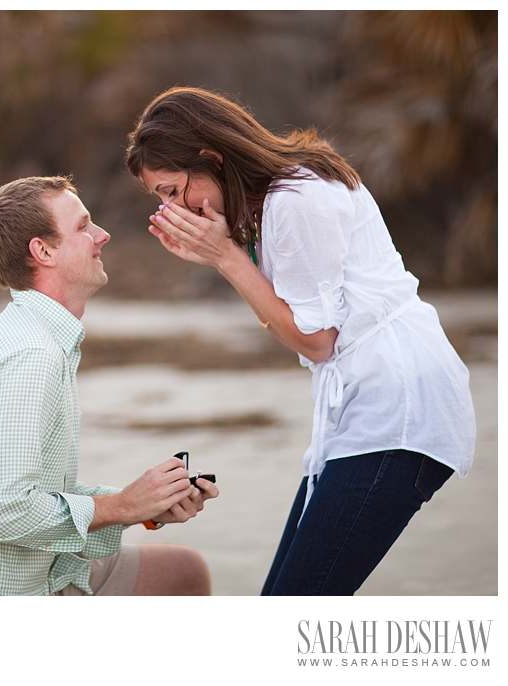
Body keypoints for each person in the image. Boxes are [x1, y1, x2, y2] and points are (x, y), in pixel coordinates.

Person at [124, 87, 475, 596]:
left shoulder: (295, 198)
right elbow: (299, 320)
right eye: (161, 199)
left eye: (173, 190)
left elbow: (316, 342)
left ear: (212, 158)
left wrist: (226, 257)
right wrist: (224, 250)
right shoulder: (273, 200)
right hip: (364, 409)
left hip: (399, 408)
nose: (173, 208)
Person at [0, 175, 219, 596]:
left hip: (33, 571)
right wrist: (123, 505)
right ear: (44, 251)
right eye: (84, 226)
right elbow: (4, 511)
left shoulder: (25, 335)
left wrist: (145, 506)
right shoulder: (32, 355)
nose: (102, 235)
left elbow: (34, 496)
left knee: (182, 571)